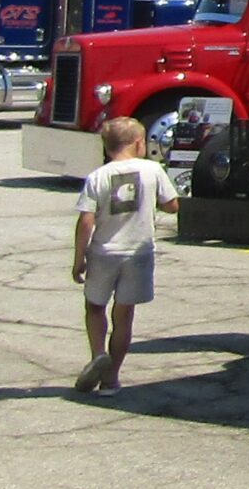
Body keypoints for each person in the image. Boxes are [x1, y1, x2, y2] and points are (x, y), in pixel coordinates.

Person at [71, 116, 179, 394]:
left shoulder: (98, 176)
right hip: (139, 252)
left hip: (104, 252)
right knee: (124, 314)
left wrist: (79, 258)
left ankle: (97, 354)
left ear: (106, 146)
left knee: (95, 306)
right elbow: (172, 205)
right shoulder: (152, 170)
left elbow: (86, 221)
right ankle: (111, 378)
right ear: (139, 143)